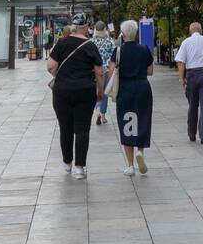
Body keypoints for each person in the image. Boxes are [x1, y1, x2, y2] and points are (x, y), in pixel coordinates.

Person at [46, 13, 104, 179]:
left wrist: (62, 75)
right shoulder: (90, 45)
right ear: (85, 28)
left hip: (62, 91)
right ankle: (79, 167)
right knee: (82, 129)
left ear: (72, 27)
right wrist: (100, 91)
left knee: (65, 127)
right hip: (85, 91)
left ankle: (67, 162)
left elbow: (50, 66)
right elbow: (100, 72)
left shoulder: (62, 43)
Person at [107, 19, 153, 175]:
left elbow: (111, 72)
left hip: (125, 89)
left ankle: (130, 165)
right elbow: (150, 71)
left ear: (123, 34)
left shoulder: (118, 51)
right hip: (142, 87)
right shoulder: (144, 49)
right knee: (143, 118)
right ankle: (140, 150)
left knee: (127, 122)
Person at [91, 20, 115, 126]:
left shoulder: (91, 42)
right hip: (107, 70)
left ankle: (97, 110)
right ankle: (103, 115)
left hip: (95, 70)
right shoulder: (110, 41)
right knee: (105, 93)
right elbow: (114, 56)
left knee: (97, 92)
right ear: (105, 29)